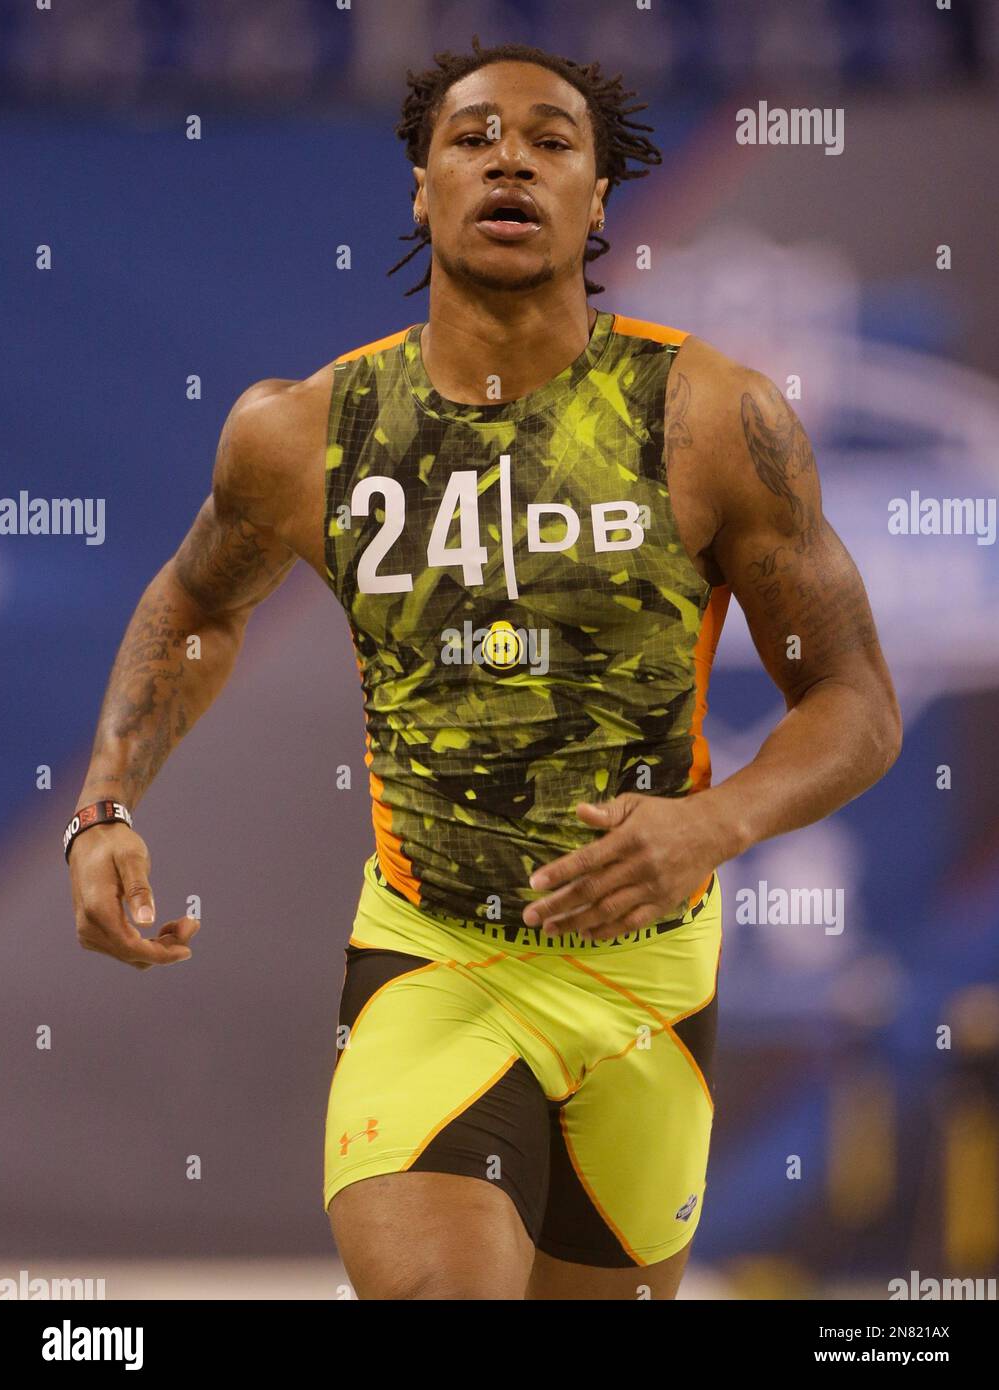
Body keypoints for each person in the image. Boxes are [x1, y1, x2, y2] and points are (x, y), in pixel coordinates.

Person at [65, 39, 902, 1300]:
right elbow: (194, 603)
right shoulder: (302, 432)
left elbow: (855, 703)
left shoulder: (709, 420)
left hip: (647, 983)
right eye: (471, 137)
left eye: (551, 140)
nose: (509, 156)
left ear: (596, 197)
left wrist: (709, 827)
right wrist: (104, 803)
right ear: (419, 186)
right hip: (433, 959)